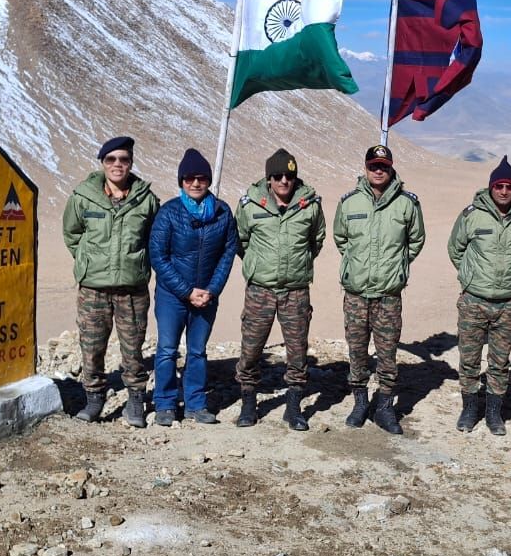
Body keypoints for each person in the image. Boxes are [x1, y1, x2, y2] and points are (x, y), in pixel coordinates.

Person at [62, 137, 160, 428]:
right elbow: (72, 234)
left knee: (133, 347)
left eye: (124, 160)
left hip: (132, 289)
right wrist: (88, 261)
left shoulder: (146, 200)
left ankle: (135, 400)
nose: (118, 165)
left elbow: (154, 239)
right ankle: (94, 398)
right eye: (111, 160)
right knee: (91, 347)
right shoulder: (83, 196)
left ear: (131, 163)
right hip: (93, 289)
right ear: (102, 163)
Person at [333, 144, 426, 434]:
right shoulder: (349, 203)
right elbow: (340, 239)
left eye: (383, 166)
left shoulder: (406, 204)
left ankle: (385, 407)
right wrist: (355, 265)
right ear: (366, 168)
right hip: (357, 294)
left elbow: (416, 240)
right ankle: (360, 402)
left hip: (388, 295)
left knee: (387, 354)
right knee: (357, 351)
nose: (378, 170)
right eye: (374, 165)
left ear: (391, 168)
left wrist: (397, 265)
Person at [234, 149, 326, 430]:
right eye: (278, 176)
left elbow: (316, 240)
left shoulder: (309, 205)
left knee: (297, 351)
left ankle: (294, 407)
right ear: (269, 178)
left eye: (289, 176)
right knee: (251, 349)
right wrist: (260, 265)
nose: (284, 181)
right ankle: (249, 404)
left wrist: (297, 265)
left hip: (295, 291)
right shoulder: (251, 205)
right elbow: (241, 240)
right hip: (260, 290)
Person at [447, 156, 511, 436]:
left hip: (507, 304)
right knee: (469, 358)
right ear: (490, 187)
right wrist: (469, 277)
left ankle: (494, 413)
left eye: (509, 187)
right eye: (498, 186)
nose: (503, 191)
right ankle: (469, 408)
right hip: (474, 300)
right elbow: (455, 249)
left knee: (500, 361)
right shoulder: (472, 215)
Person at [149, 148, 238, 426]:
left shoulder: (222, 213)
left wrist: (211, 290)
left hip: (207, 297)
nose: (196, 183)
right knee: (167, 349)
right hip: (172, 296)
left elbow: (227, 254)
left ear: (209, 180)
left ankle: (196, 403)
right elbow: (158, 257)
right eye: (189, 178)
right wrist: (187, 291)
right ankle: (164, 403)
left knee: (197, 351)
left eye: (201, 178)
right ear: (181, 181)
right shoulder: (169, 213)